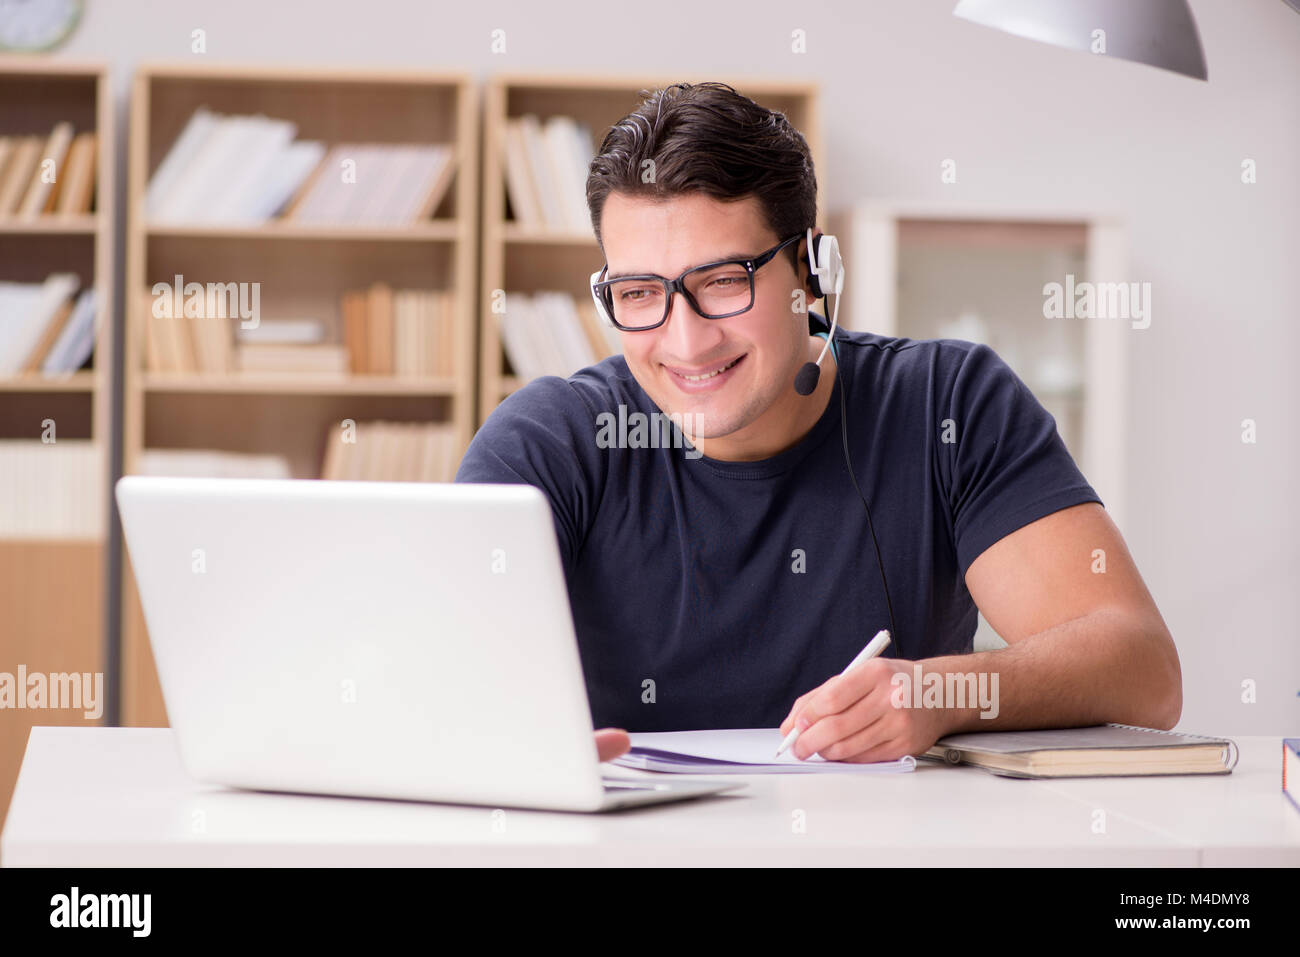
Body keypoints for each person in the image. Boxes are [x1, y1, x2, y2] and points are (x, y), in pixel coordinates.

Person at [456, 81, 1181, 765]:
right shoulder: (546, 442)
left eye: (722, 282)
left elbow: (1142, 667)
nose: (686, 341)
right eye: (640, 293)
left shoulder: (950, 405)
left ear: (810, 268)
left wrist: (942, 691)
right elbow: (431, 669)